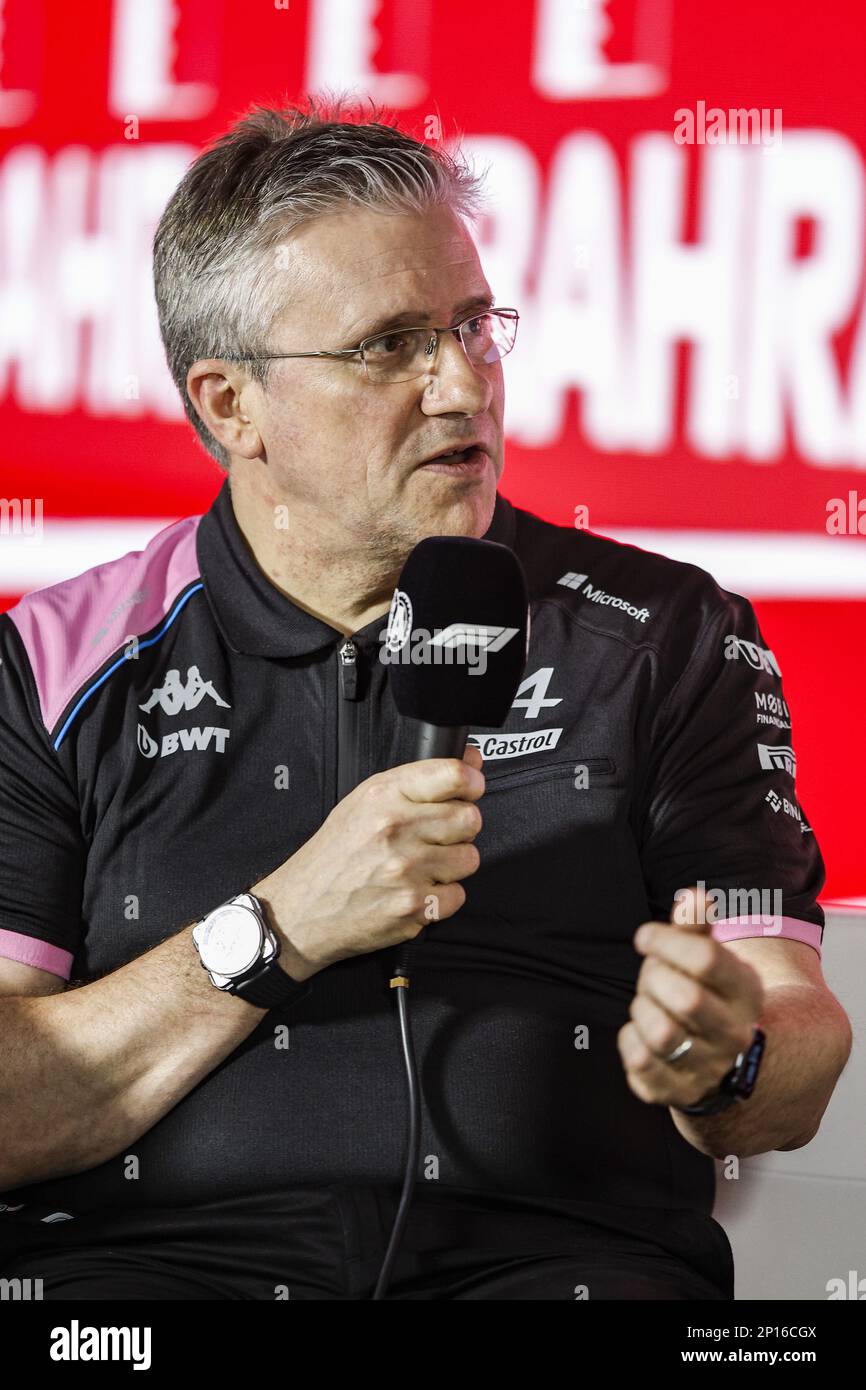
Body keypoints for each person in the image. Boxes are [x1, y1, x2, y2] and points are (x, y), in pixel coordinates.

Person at [0, 95, 852, 1301]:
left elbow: (793, 1045)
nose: (461, 386)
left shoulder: (664, 634)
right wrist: (280, 925)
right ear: (228, 404)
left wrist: (728, 1056)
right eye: (388, 345)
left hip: (563, 1275)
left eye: (474, 326)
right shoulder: (55, 660)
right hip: (146, 1286)